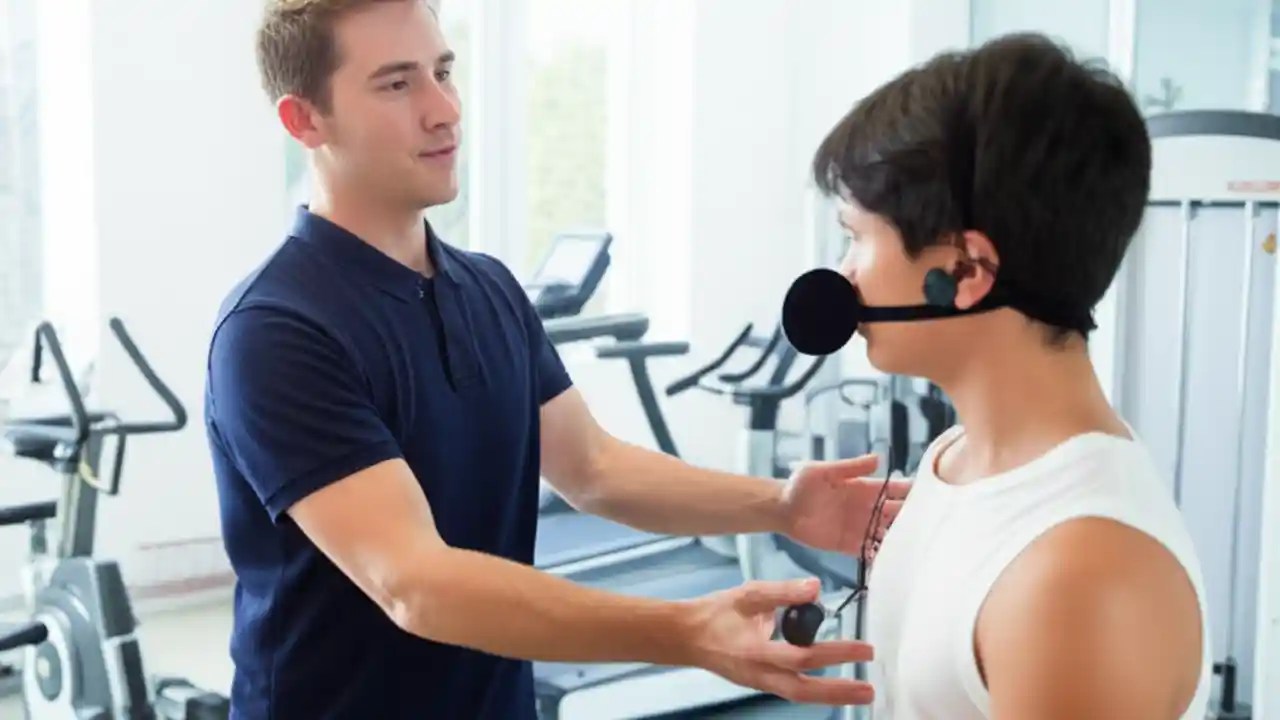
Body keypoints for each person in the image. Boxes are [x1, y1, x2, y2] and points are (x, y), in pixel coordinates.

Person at [204, 1, 901, 718]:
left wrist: (780, 506)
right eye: (397, 84)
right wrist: (685, 630)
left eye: (443, 72)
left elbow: (593, 469)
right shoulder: (275, 330)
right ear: (304, 121)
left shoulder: (488, 289)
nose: (445, 110)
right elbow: (415, 584)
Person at [803, 33, 1212, 719]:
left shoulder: (1079, 578)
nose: (844, 274)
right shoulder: (955, 458)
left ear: (964, 271)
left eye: (857, 238)